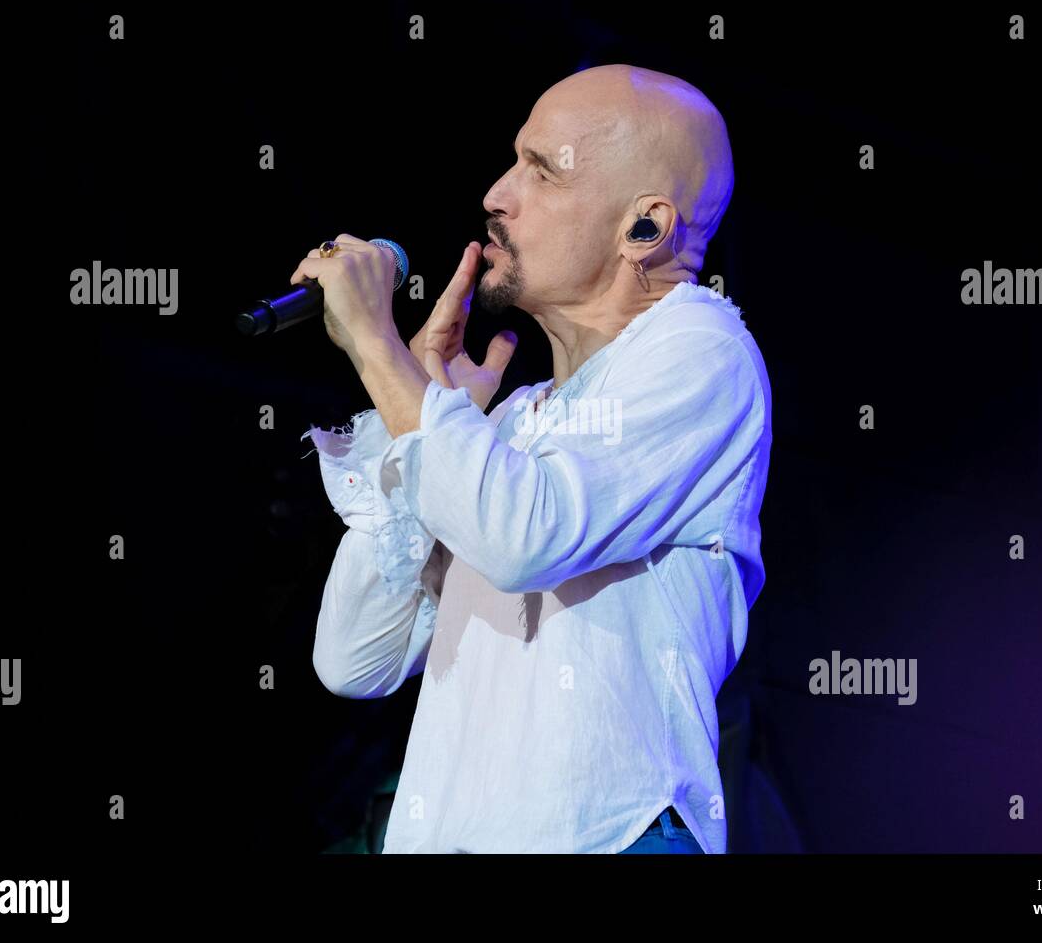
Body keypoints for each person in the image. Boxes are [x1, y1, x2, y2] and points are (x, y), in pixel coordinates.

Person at [295, 63, 770, 853]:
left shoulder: (703, 349)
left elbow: (525, 537)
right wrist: (422, 409)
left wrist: (384, 358)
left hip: (609, 837)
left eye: (541, 170)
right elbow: (354, 659)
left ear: (643, 229)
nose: (496, 193)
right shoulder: (508, 427)